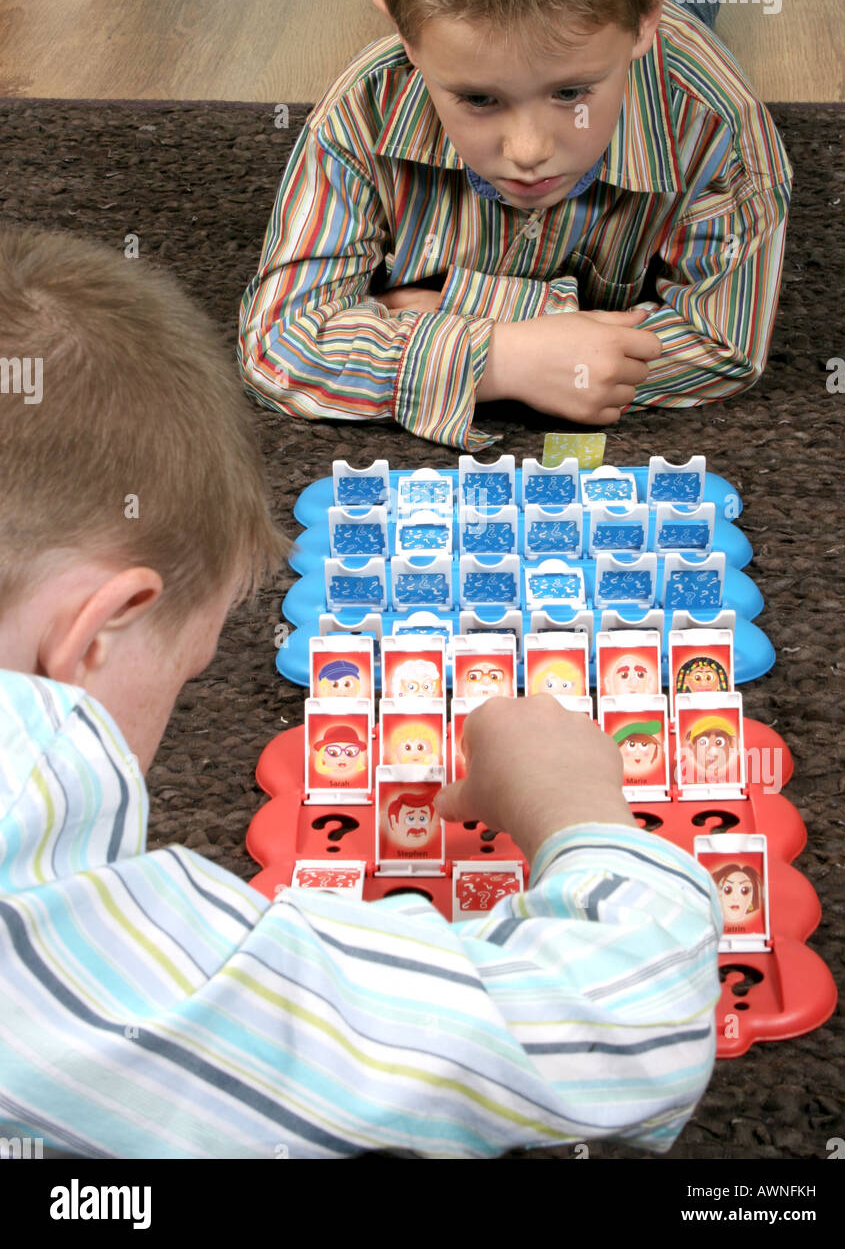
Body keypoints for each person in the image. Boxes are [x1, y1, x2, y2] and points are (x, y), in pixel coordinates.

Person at [0, 227, 722, 1159]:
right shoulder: (55, 942)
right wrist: (581, 811)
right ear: (97, 629)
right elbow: (634, 1026)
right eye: (191, 667)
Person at [238, 0, 791, 451]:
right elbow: (280, 344)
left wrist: (447, 307)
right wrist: (503, 358)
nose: (528, 151)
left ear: (641, 23)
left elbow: (726, 345)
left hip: (666, 27)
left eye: (571, 93)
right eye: (479, 98)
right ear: (405, 36)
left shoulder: (716, 123)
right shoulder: (364, 107)